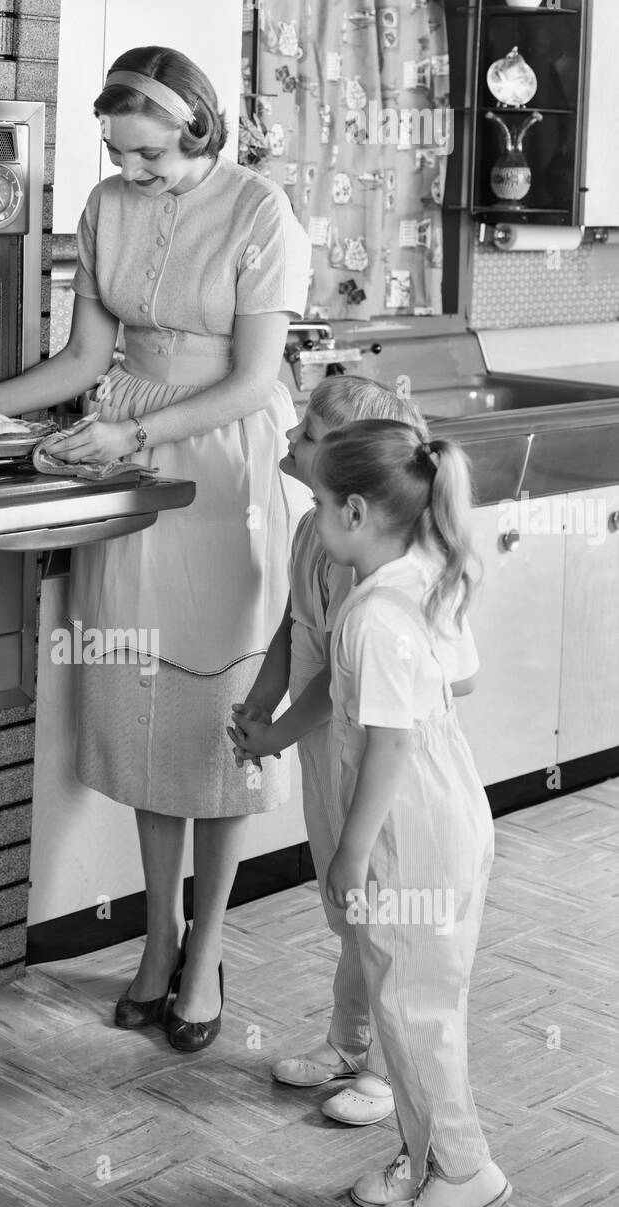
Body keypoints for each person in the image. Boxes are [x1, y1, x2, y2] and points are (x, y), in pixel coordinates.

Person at [0, 46, 311, 1052]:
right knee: (140, 710)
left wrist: (135, 435)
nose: (132, 173)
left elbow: (256, 382)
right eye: (120, 155)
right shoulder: (104, 205)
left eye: (150, 157)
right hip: (119, 455)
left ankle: (207, 945)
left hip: (219, 468)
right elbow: (84, 359)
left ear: (197, 128)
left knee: (212, 723)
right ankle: (157, 935)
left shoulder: (261, 213)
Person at [309, 418, 509, 1207]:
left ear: (355, 512)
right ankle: (423, 1153)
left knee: (416, 1006)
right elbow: (454, 683)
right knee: (411, 999)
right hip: (445, 809)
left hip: (411, 829)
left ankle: (464, 1170)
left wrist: (349, 855)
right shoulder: (419, 574)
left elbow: (388, 746)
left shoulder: (370, 617)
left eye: (319, 502)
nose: (312, 517)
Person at [230, 377, 436, 1128]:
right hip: (327, 751)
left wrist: (277, 735)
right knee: (350, 910)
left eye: (308, 433)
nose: (289, 439)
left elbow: (345, 687)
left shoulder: (364, 560)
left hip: (362, 750)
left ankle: (384, 1067)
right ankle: (348, 1043)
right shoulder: (315, 528)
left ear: (352, 470)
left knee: (376, 909)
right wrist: (261, 701)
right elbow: (294, 630)